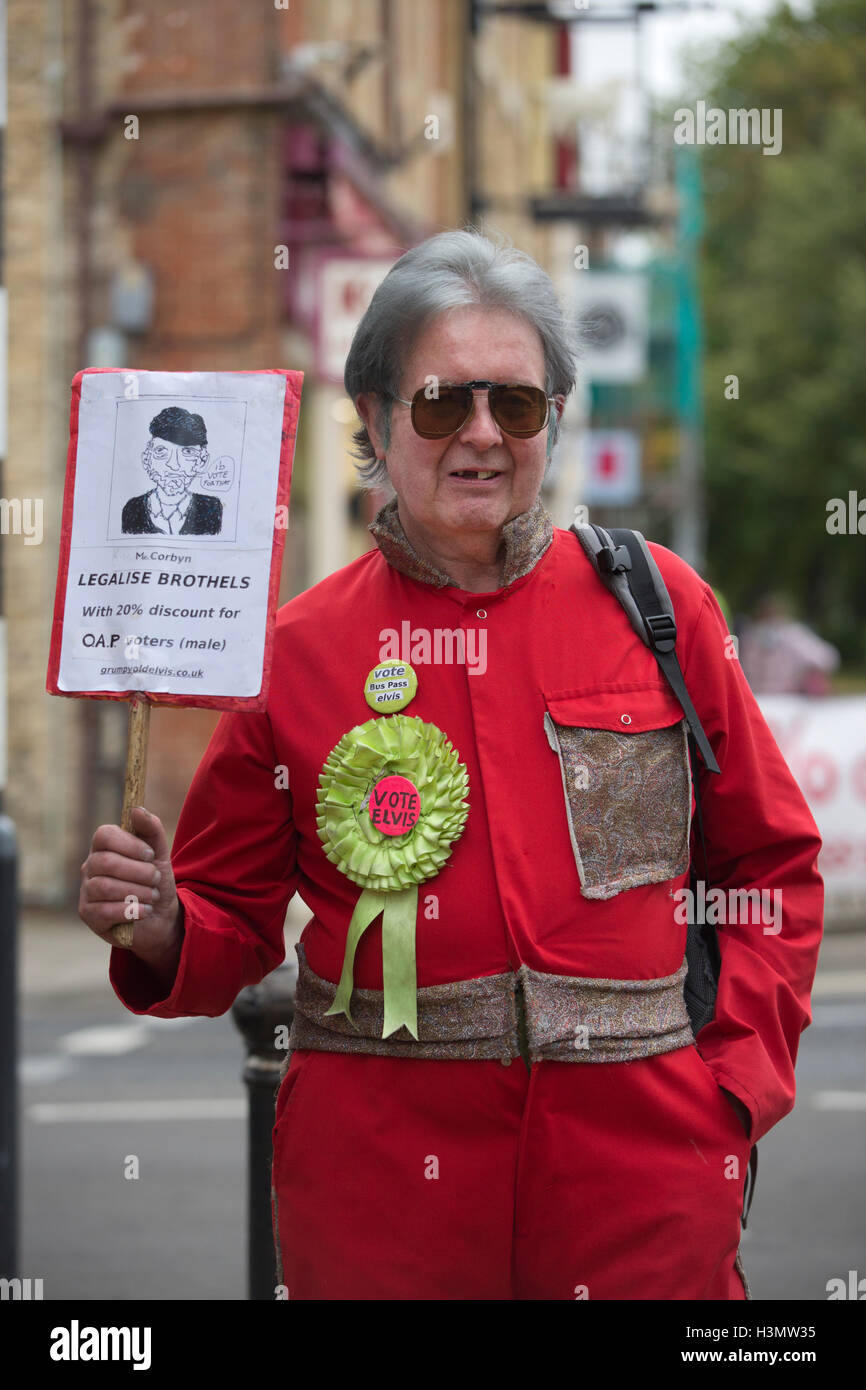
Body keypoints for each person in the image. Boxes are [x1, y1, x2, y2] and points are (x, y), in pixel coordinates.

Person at [79, 229, 823, 1301]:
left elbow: (768, 867)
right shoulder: (287, 653)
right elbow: (227, 922)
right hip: (381, 1210)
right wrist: (159, 926)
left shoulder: (662, 608)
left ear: (552, 420)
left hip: (643, 1202)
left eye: (513, 404)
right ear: (377, 421)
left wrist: (732, 1089)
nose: (480, 434)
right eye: (440, 403)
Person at [122, 406, 222, 536]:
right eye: (161, 451)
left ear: (202, 461)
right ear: (147, 459)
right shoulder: (132, 509)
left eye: (187, 452)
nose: (173, 465)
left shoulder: (213, 509)